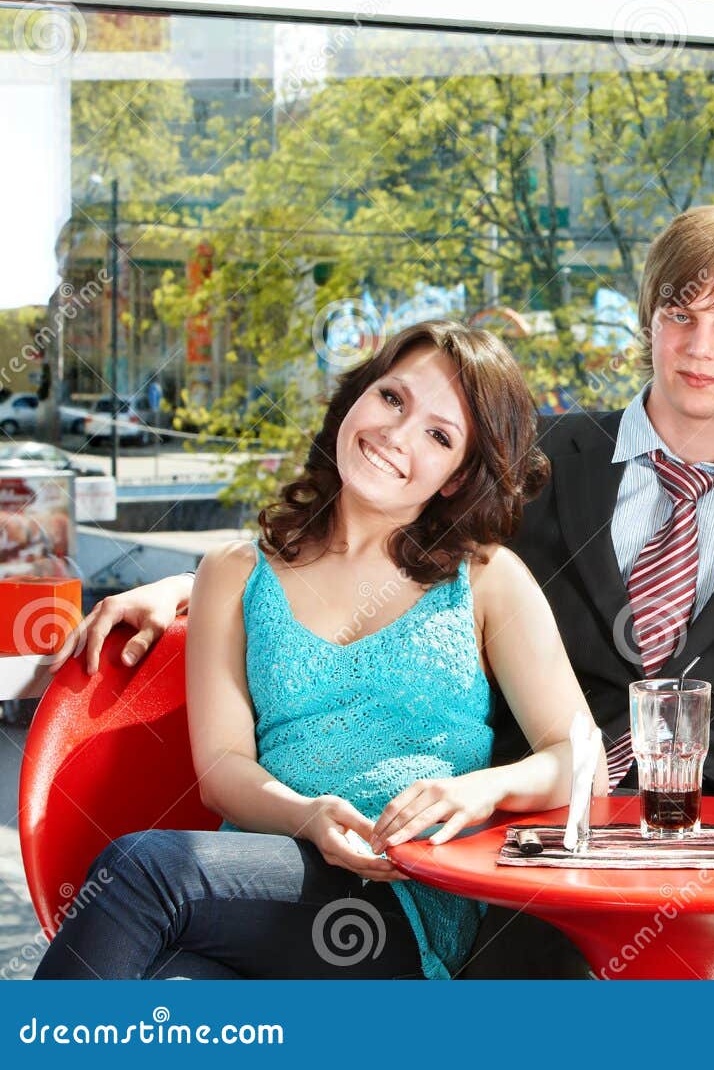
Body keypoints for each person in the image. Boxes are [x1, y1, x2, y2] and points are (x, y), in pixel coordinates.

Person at [52, 205, 714, 974]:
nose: (699, 345)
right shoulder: (528, 461)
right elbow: (391, 514)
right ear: (649, 319)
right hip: (527, 848)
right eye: (679, 313)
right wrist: (198, 586)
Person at [36, 321, 605, 979]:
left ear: (455, 478)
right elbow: (222, 768)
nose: (398, 434)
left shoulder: (485, 580)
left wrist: (485, 789)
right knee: (173, 987)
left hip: (403, 894)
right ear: (358, 395)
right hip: (258, 881)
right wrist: (308, 817)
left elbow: (584, 760)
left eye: (439, 435)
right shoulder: (232, 572)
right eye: (393, 398)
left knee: (141, 871)